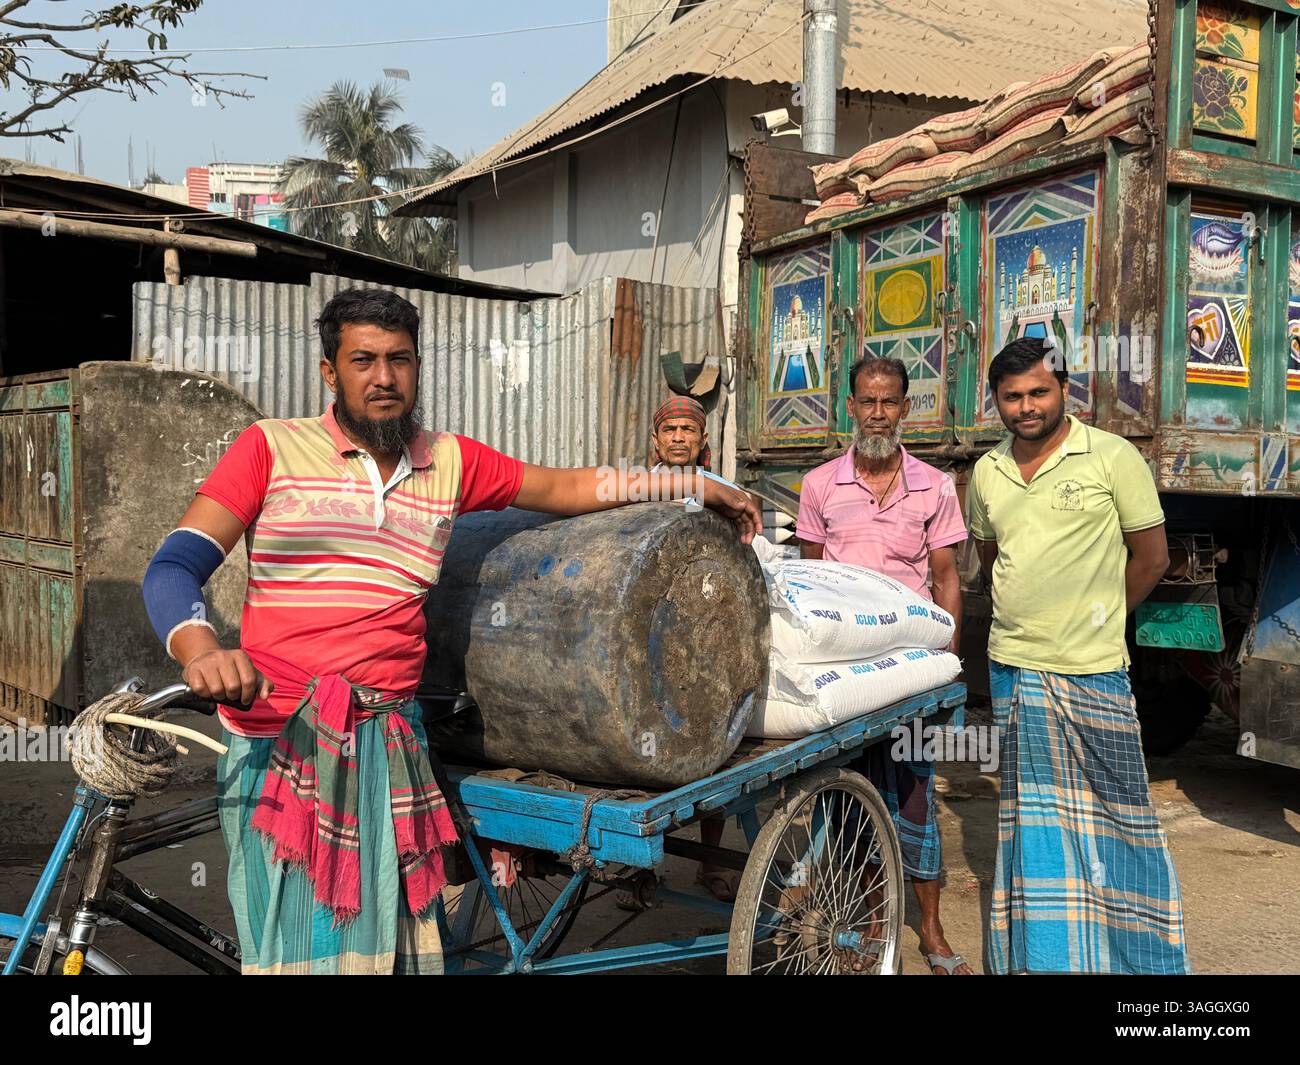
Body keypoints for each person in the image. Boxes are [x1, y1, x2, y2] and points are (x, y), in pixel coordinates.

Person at [141, 288, 760, 975]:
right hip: (285, 741)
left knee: (403, 952)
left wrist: (694, 488)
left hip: (392, 746)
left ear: (417, 366)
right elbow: (172, 567)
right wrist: (199, 646)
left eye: (400, 360)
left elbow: (569, 488)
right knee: (293, 951)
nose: (384, 377)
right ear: (329, 371)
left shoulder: (451, 462)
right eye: (364, 360)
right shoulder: (270, 449)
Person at [965, 335, 1189, 975]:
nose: (1026, 407)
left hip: (1092, 671)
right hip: (1014, 669)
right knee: (1032, 826)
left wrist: (1096, 618)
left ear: (1066, 390)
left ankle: (1140, 968)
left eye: (1038, 392)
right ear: (998, 402)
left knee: (1120, 821)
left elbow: (1151, 559)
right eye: (1012, 397)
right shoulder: (988, 471)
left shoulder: (1114, 459)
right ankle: (1046, 960)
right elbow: (989, 557)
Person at [795, 356, 970, 975]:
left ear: (905, 409)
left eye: (889, 402)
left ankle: (929, 928)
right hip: (846, 671)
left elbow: (947, 580)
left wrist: (947, 663)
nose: (877, 413)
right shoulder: (819, 486)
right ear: (850, 407)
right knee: (845, 793)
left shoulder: (935, 485)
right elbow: (808, 581)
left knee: (916, 793)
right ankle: (863, 915)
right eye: (867, 402)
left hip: (910, 668)